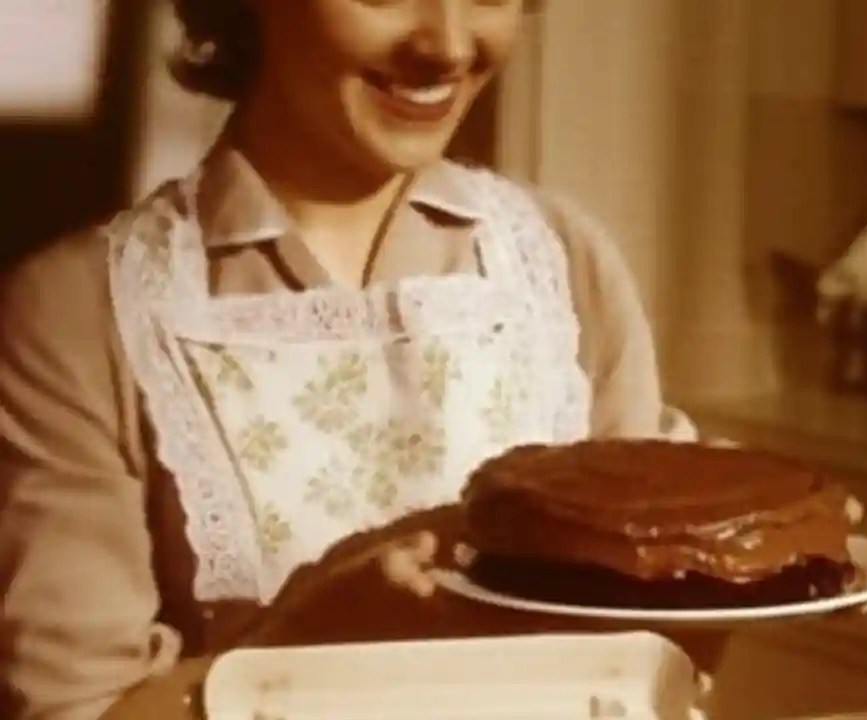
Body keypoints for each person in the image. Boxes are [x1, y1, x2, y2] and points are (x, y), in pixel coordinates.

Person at [0, 1, 694, 717]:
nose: (447, 45)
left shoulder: (565, 264)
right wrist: (304, 637)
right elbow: (74, 709)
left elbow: (656, 654)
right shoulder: (80, 314)